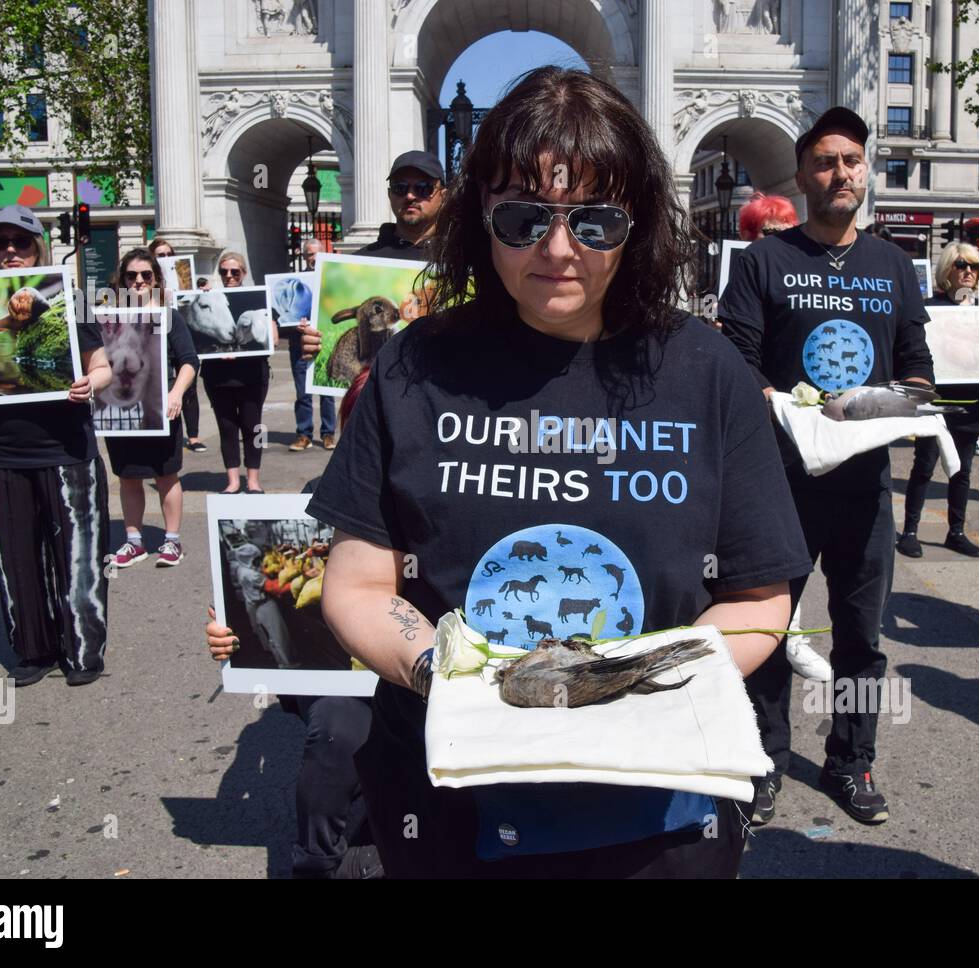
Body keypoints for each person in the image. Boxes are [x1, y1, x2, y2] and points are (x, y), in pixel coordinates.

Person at [301, 67, 808, 877]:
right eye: (524, 217)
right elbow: (357, 584)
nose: (559, 249)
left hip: (659, 808)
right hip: (451, 801)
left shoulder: (707, 369)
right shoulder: (414, 364)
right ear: (480, 218)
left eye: (596, 221)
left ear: (636, 223)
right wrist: (448, 676)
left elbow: (758, 596)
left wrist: (633, 692)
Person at [718, 106, 935, 826]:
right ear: (802, 174)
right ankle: (764, 761)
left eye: (851, 160)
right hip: (777, 483)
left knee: (860, 640)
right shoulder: (765, 263)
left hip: (864, 487)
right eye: (824, 161)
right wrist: (782, 405)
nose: (840, 173)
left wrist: (897, 404)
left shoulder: (893, 265)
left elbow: (918, 369)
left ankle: (852, 758)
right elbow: (737, 364)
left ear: (865, 170)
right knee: (768, 631)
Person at [206, 382, 381, 879]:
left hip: (417, 662)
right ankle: (316, 860)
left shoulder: (441, 490)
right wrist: (228, 635)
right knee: (338, 731)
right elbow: (269, 598)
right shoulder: (316, 497)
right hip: (337, 666)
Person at [0, 205, 113, 686]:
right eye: (1, 243)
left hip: (65, 447)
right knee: (14, 555)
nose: (11, 250)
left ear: (38, 247)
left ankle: (82, 652)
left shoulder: (69, 299)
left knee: (76, 553)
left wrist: (88, 384)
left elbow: (103, 365)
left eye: (21, 242)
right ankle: (32, 649)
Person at [295, 150, 445, 363]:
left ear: (443, 195)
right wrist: (313, 343)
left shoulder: (464, 260)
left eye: (424, 188)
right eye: (400, 188)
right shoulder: (362, 259)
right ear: (390, 194)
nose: (410, 196)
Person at [103, 248, 200, 568]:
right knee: (128, 476)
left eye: (146, 275)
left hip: (161, 411)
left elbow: (189, 362)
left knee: (166, 475)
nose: (139, 281)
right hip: (120, 411)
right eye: (132, 276)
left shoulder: (169, 316)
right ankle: (134, 542)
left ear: (156, 279)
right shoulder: (107, 318)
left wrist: (175, 394)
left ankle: (172, 541)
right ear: (122, 280)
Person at [897, 242, 979, 559]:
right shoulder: (929, 307)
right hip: (935, 398)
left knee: (961, 469)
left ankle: (957, 531)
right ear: (947, 269)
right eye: (961, 265)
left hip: (971, 398)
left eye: (974, 266)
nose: (968, 271)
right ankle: (910, 531)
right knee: (924, 464)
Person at [202, 251, 276, 494]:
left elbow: (273, 338)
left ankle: (253, 480)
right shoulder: (210, 297)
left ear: (244, 273)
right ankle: (233, 480)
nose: (229, 276)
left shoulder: (258, 297)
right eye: (224, 271)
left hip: (252, 375)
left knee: (254, 428)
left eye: (235, 271)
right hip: (217, 376)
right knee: (226, 428)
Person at [149, 237, 206, 454]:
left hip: (181, 334)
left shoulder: (183, 275)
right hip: (159, 337)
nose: (165, 259)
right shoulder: (148, 284)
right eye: (160, 255)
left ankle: (193, 436)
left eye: (168, 255)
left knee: (189, 389)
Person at [286, 238, 337, 453]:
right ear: (304, 257)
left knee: (326, 391)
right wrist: (294, 323)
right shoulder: (294, 281)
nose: (312, 258)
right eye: (309, 254)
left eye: (316, 253)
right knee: (302, 393)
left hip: (325, 342)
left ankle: (328, 434)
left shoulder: (332, 280)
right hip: (299, 344)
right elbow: (286, 312)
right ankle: (304, 434)